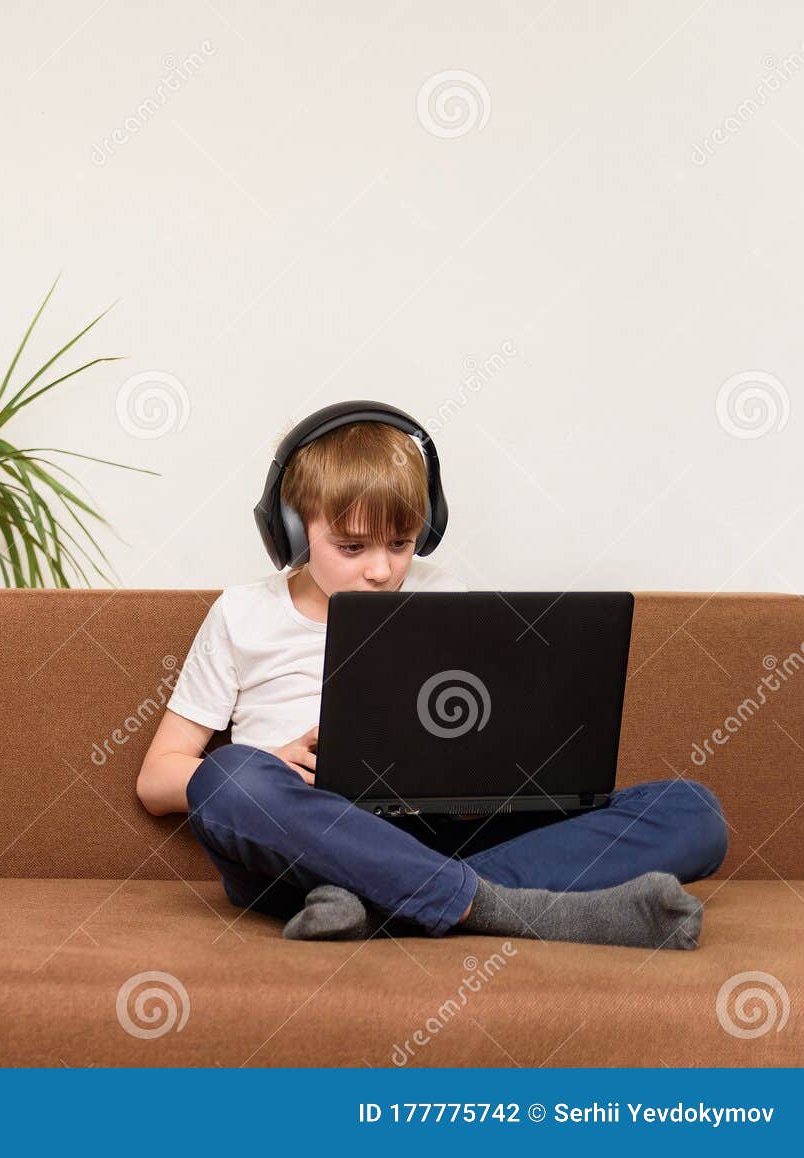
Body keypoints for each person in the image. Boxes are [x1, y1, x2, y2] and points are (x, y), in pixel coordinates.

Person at [136, 401, 728, 948]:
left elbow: (482, 718)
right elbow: (157, 779)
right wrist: (273, 762)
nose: (381, 569)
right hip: (301, 852)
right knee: (230, 778)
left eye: (400, 543)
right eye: (351, 546)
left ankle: (374, 905)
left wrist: (487, 766)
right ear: (291, 531)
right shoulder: (242, 614)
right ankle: (499, 906)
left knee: (691, 813)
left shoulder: (440, 595)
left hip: (437, 831)